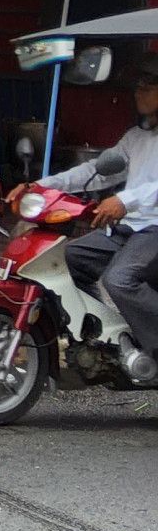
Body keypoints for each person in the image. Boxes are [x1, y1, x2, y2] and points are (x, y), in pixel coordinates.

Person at [52, 59, 158, 382]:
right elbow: (95, 171)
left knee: (120, 280)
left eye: (149, 84)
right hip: (128, 229)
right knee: (64, 261)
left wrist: (124, 200)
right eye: (138, 83)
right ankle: (109, 334)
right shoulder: (136, 137)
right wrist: (45, 186)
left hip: (154, 228)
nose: (139, 90)